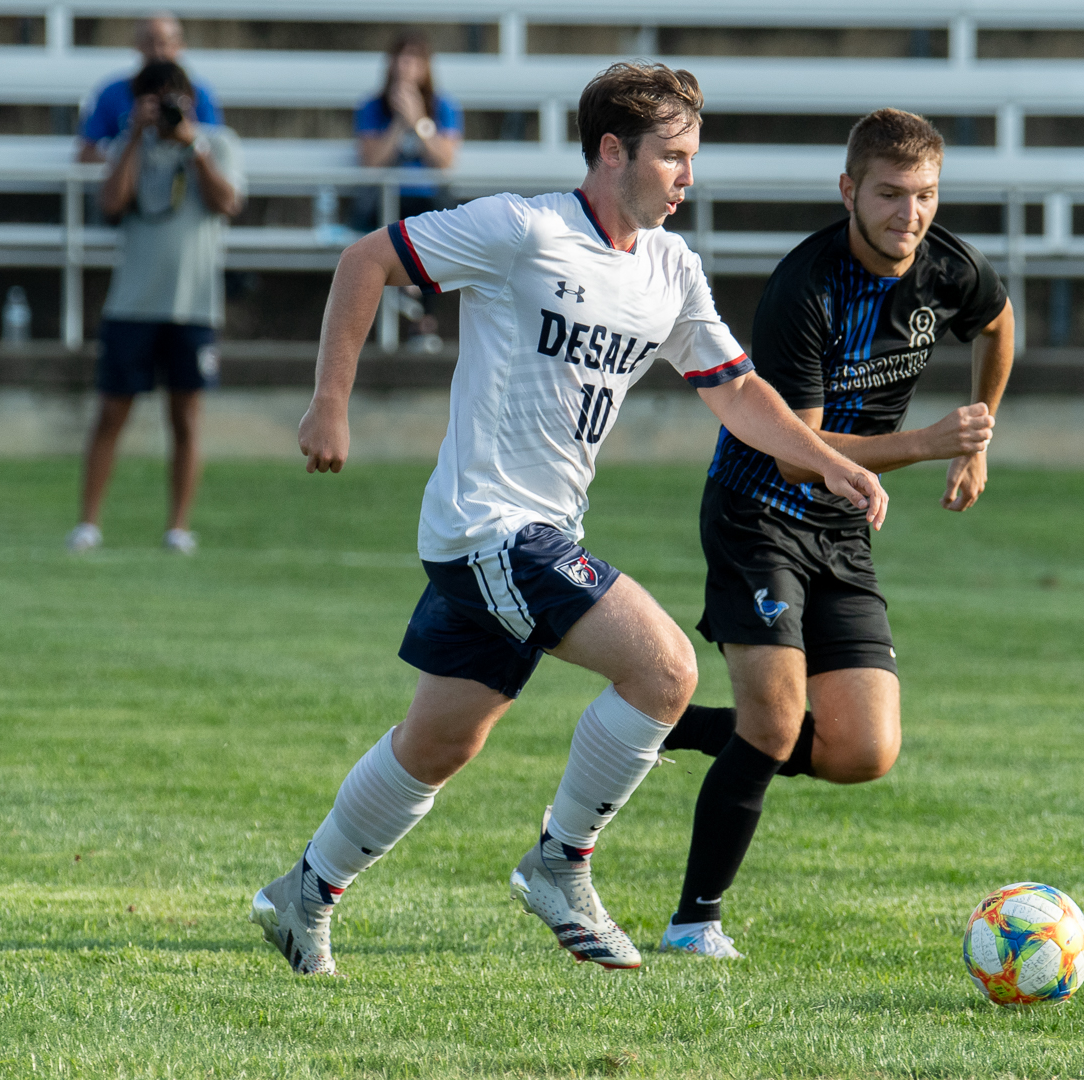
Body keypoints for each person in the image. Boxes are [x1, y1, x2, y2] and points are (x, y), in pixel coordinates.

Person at [249, 62, 889, 977]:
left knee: (441, 741)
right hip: (490, 527)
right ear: (611, 151)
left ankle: (303, 894)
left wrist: (827, 459)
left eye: (693, 157)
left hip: (540, 532)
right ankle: (560, 863)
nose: (688, 176)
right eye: (672, 156)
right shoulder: (525, 230)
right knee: (666, 669)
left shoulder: (670, 268)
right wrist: (329, 403)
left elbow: (737, 389)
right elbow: (367, 260)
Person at [655, 108, 1016, 959]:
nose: (909, 214)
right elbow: (797, 456)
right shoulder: (805, 289)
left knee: (862, 750)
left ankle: (663, 727)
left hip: (844, 529)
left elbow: (997, 323)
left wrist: (977, 439)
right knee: (777, 724)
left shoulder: (947, 267)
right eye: (889, 194)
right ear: (849, 189)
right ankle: (693, 923)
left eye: (925, 195)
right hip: (758, 515)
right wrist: (929, 444)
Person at [66, 61, 245, 556]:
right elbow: (110, 204)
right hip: (133, 304)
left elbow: (227, 202)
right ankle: (88, 524)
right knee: (110, 413)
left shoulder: (218, 143)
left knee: (186, 418)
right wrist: (132, 137)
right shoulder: (131, 147)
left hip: (194, 306)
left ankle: (178, 528)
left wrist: (192, 146)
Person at [351, 30, 464, 348]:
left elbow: (444, 160)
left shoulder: (443, 107)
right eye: (401, 58)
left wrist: (418, 121)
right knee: (401, 226)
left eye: (415, 59)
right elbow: (371, 162)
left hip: (428, 198)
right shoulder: (372, 107)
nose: (406, 66)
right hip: (385, 198)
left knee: (429, 228)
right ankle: (419, 319)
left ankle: (417, 313)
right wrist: (399, 124)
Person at [75, 13, 221, 164]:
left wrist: (189, 135)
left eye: (163, 43)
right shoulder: (112, 93)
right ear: (137, 45)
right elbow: (86, 154)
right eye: (149, 42)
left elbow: (217, 152)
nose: (157, 51)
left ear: (179, 45)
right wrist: (133, 135)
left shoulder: (198, 94)